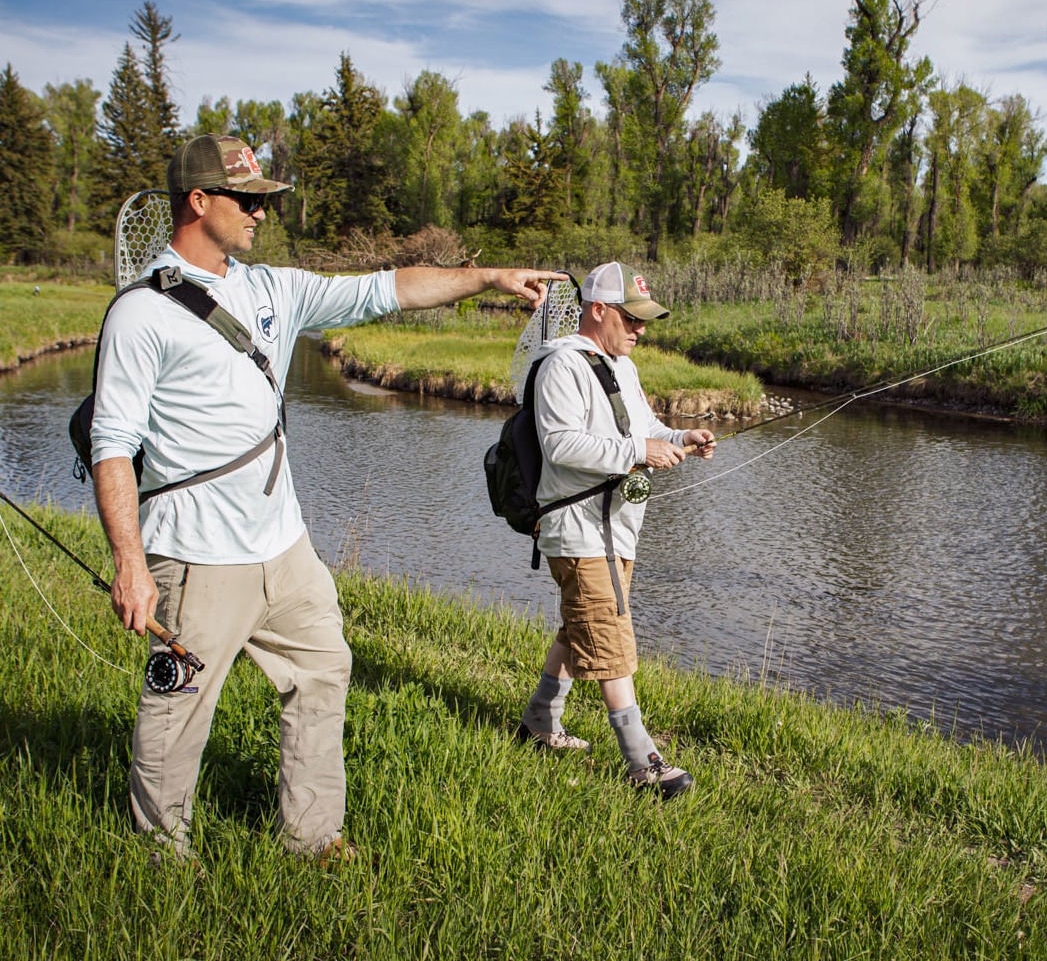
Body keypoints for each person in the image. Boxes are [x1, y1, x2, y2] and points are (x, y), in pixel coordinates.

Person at [91, 133, 565, 863]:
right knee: (178, 711)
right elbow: (112, 445)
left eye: (264, 201)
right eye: (247, 200)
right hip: (194, 555)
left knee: (324, 667)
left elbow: (387, 289)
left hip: (284, 548)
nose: (261, 214)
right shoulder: (140, 314)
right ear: (199, 201)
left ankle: (311, 837)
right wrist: (130, 561)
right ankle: (159, 853)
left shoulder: (272, 289)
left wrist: (490, 278)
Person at [516, 262, 714, 799]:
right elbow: (560, 444)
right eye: (631, 318)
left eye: (644, 320)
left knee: (581, 626)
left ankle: (538, 722)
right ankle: (643, 764)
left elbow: (643, 427)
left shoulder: (622, 365)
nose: (640, 329)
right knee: (611, 639)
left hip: (614, 530)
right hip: (577, 529)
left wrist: (681, 437)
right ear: (598, 309)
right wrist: (638, 451)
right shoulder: (561, 365)